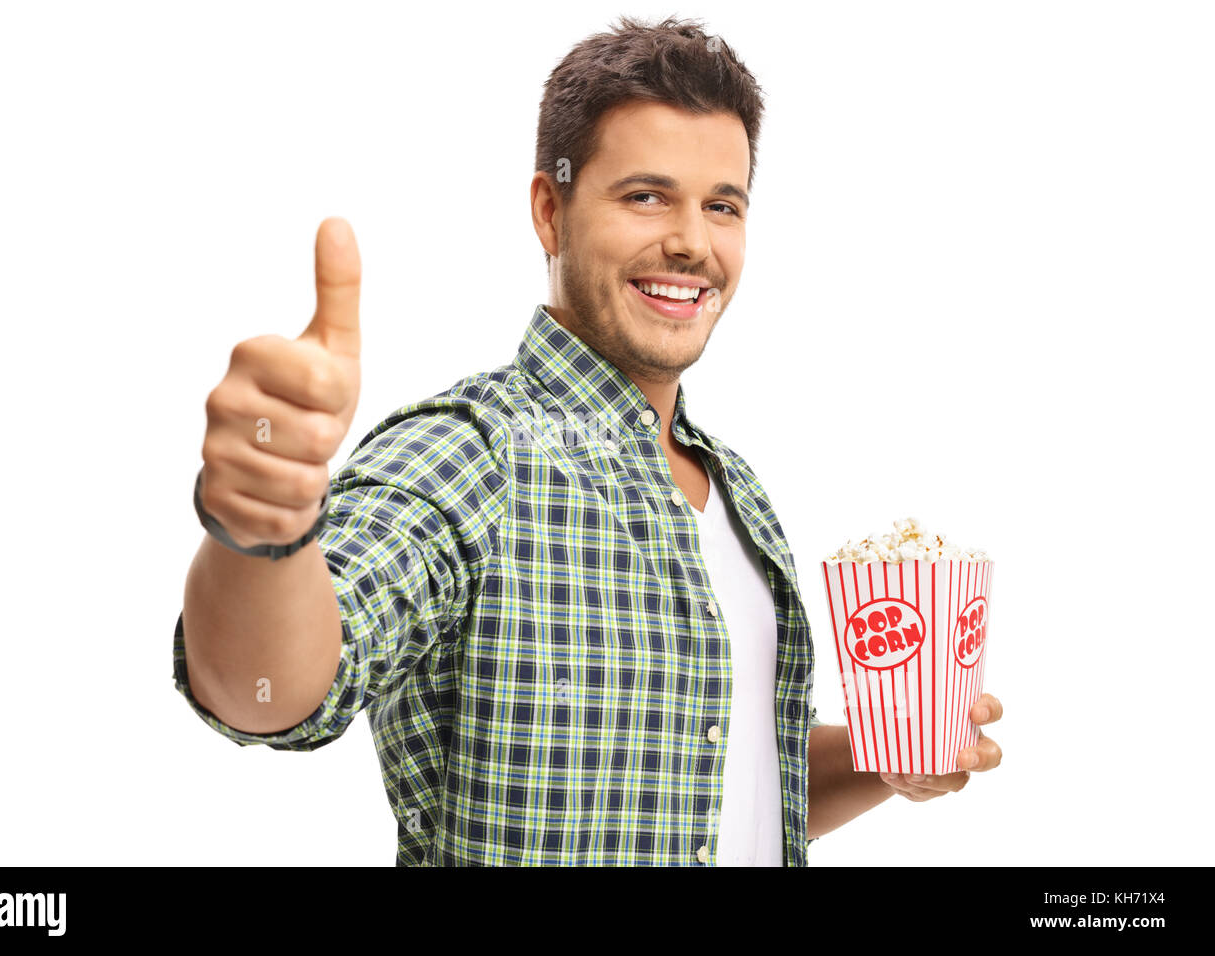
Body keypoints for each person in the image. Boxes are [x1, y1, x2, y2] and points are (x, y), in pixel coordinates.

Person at [172, 14, 1003, 866]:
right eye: (646, 196)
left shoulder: (738, 492)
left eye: (722, 206)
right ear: (549, 209)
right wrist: (262, 531)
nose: (691, 241)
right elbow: (265, 696)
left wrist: (894, 756)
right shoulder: (468, 457)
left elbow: (741, 781)